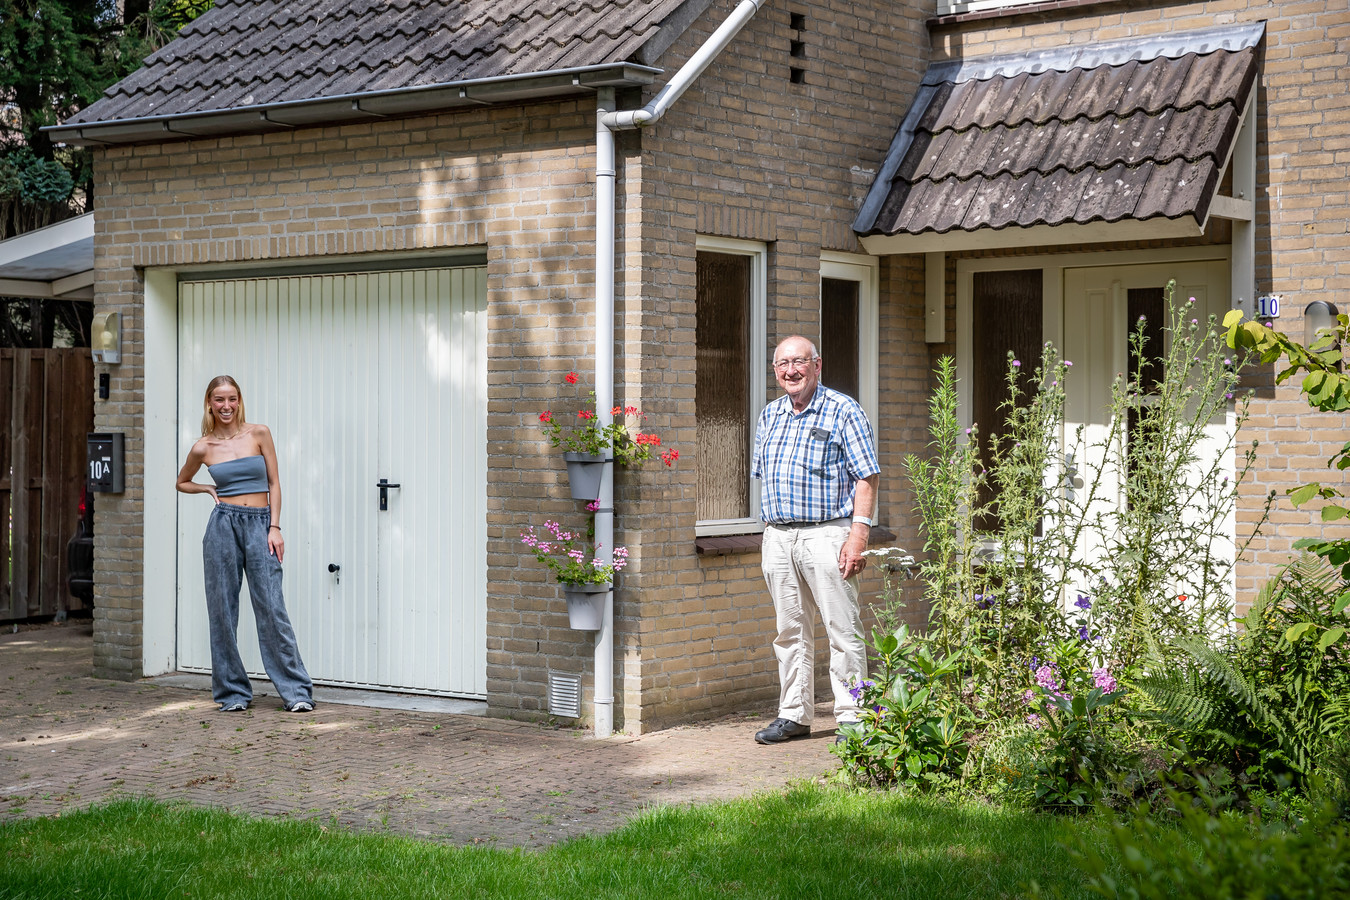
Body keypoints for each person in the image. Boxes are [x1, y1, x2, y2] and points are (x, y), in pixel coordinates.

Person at [751, 336, 880, 744]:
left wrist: (858, 535)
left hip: (827, 534)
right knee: (789, 631)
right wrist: (769, 535)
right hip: (779, 537)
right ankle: (793, 715)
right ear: (775, 370)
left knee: (843, 629)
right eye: (782, 363)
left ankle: (854, 717)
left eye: (799, 362)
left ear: (817, 365)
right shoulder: (769, 415)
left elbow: (867, 477)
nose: (791, 371)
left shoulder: (843, 410)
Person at [175, 375, 315, 713]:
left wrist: (275, 527)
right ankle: (232, 693)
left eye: (232, 399)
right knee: (222, 610)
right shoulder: (202, 447)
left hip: (260, 525)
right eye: (219, 400)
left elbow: (274, 482)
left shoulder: (259, 433)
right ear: (209, 403)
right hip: (223, 526)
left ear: (239, 401)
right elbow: (182, 482)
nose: (226, 406)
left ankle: (296, 692)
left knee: (271, 607)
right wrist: (208, 490)